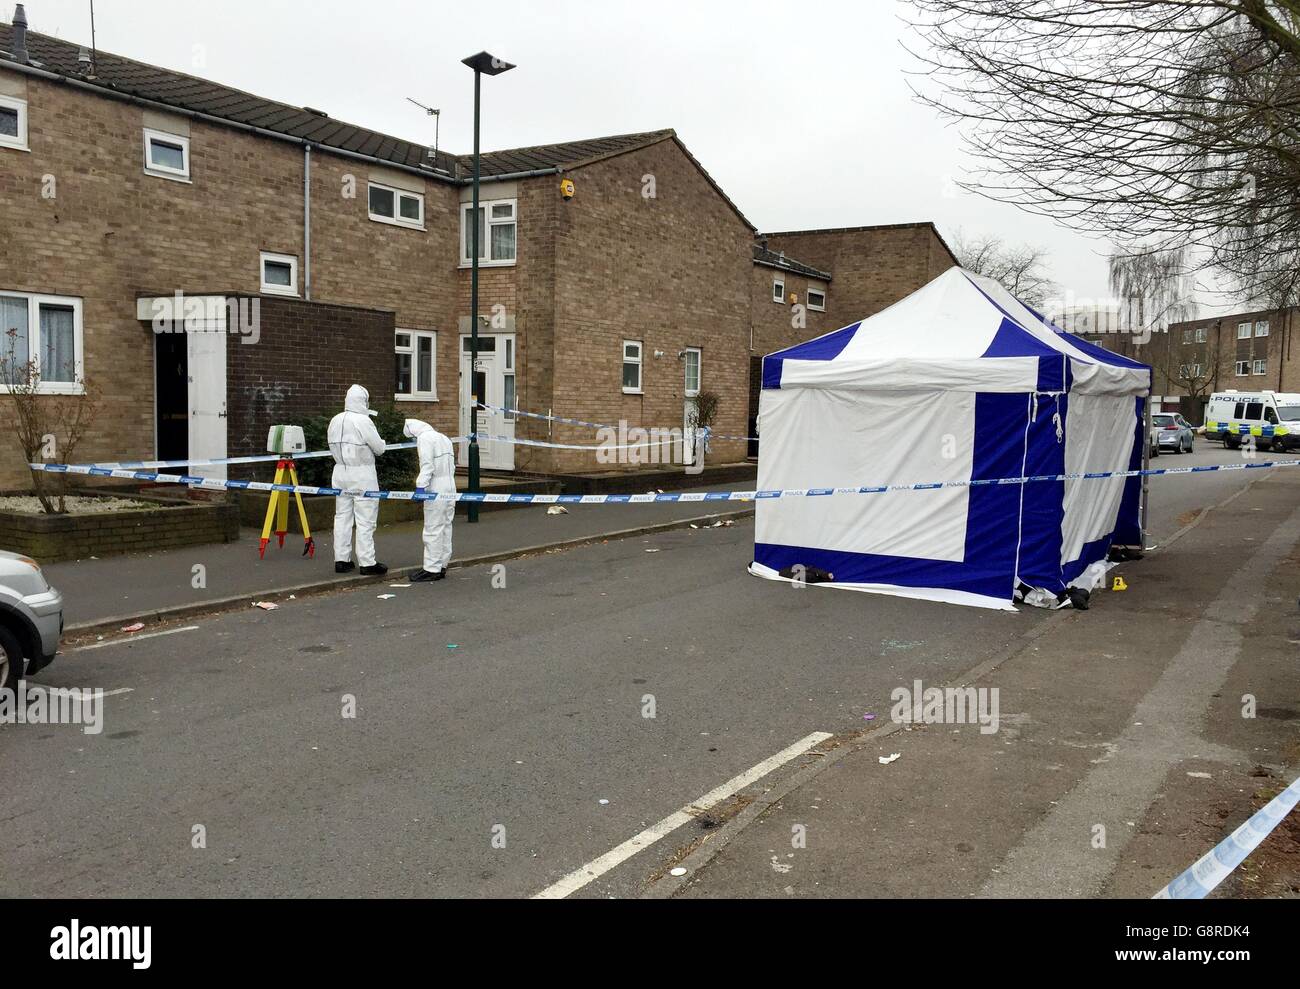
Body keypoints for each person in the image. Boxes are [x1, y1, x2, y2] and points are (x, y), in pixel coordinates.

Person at [328, 384, 388, 575]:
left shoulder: (335, 420)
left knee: (342, 517)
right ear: (363, 401)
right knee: (365, 519)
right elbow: (379, 448)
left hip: (339, 472)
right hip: (362, 474)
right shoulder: (363, 421)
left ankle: (341, 559)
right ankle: (367, 562)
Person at [403, 418, 456, 582]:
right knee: (446, 526)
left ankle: (431, 568)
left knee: (433, 528)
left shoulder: (424, 439)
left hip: (436, 485)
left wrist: (420, 486)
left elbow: (427, 465)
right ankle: (441, 566)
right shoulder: (444, 438)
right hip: (450, 484)